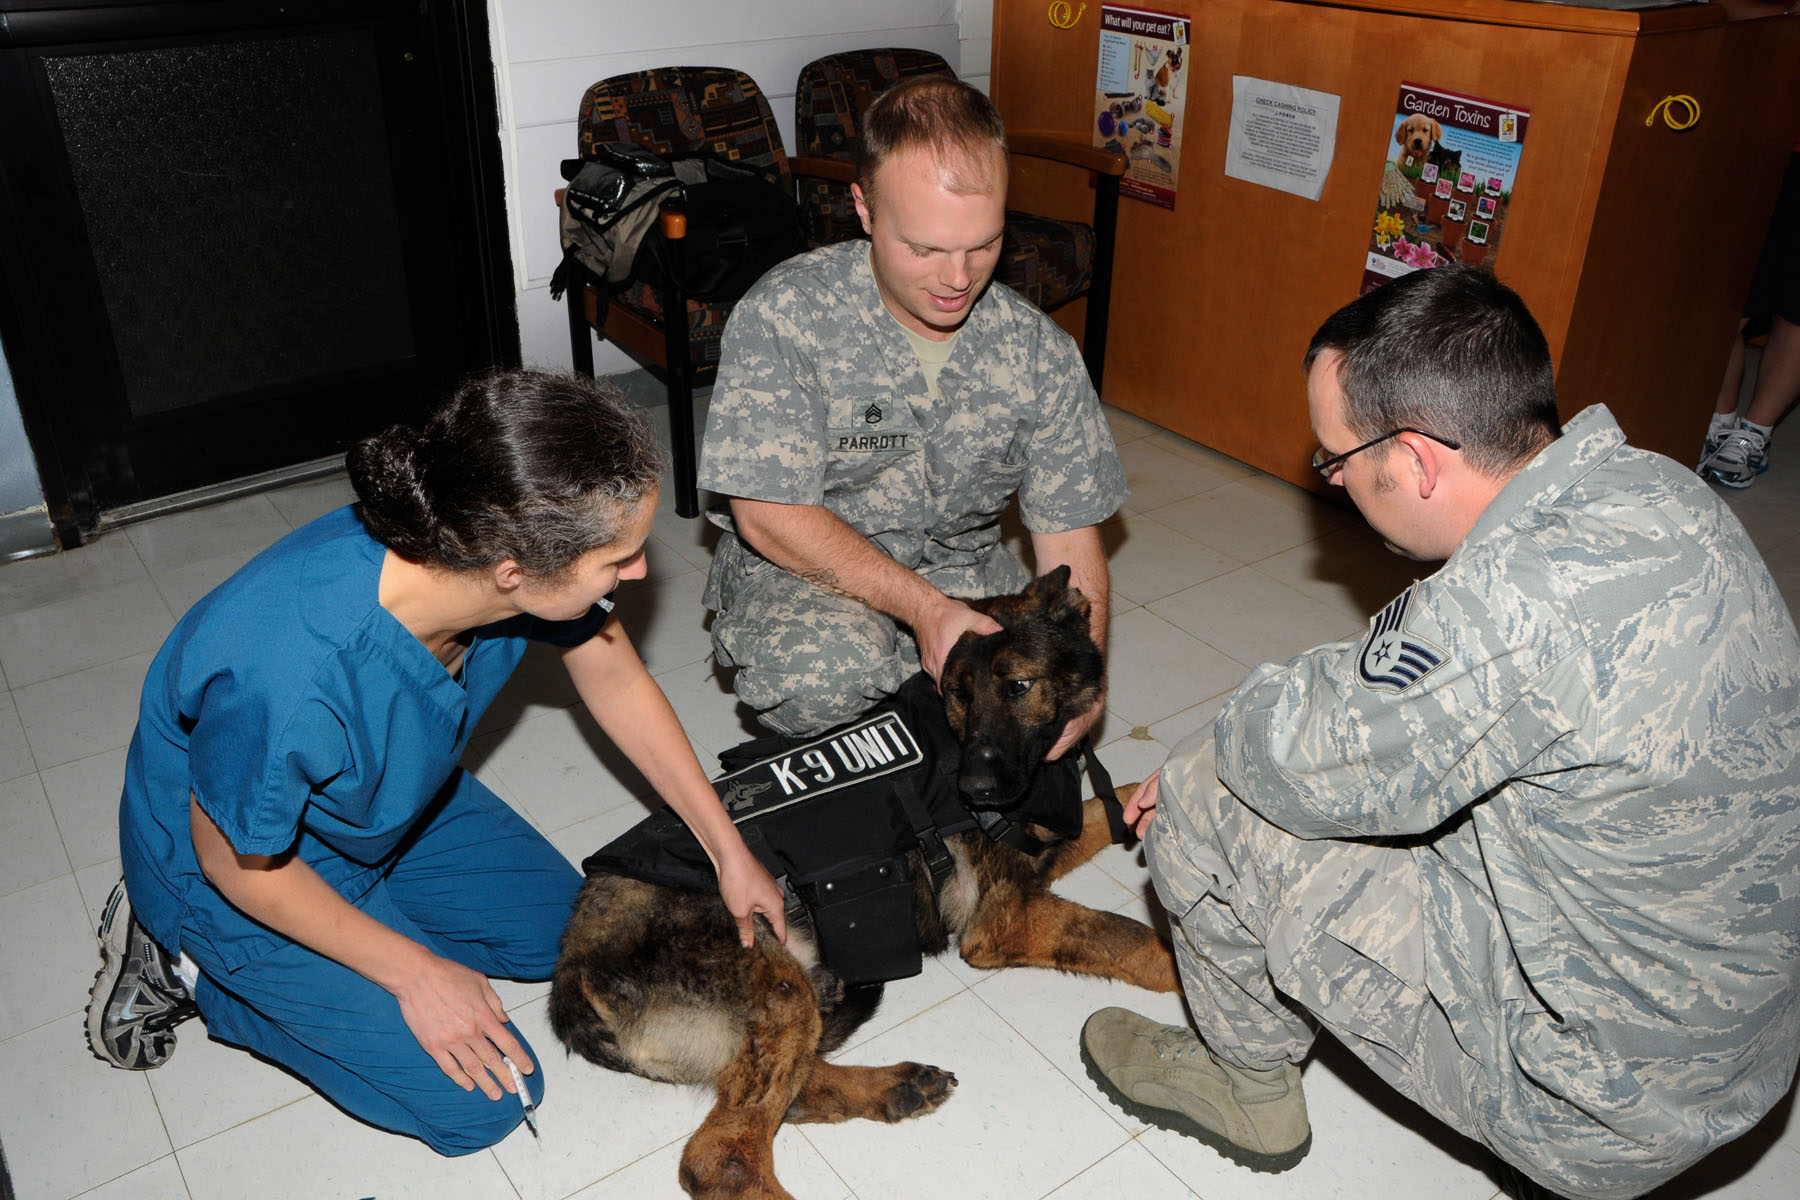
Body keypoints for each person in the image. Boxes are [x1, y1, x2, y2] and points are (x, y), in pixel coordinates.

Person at [1080, 266, 1800, 1199]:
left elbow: (1297, 758)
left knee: (1210, 797)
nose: (1332, 480)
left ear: (1417, 461)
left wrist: (1205, 748)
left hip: (1598, 1101)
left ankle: (1242, 1089)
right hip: (1735, 1045)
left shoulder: (1506, 611)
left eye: (1334, 461)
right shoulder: (1654, 488)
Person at [86, 370, 788, 1154]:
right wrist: (412, 971)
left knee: (572, 941)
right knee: (491, 1100)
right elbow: (235, 858)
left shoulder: (476, 540)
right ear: (515, 572)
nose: (640, 574)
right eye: (617, 559)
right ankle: (181, 962)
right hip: (236, 858)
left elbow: (616, 675)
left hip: (383, 803)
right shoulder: (295, 671)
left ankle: (368, 918)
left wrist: (728, 851)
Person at [697, 74, 1126, 747]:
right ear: (863, 209)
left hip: (965, 567)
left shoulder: (1039, 351)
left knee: (1029, 685)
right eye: (924, 249)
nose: (958, 279)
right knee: (823, 675)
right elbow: (767, 515)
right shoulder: (787, 317)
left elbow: (1070, 541)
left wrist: (1084, 688)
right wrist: (927, 613)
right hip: (813, 571)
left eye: (982, 244)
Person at [1699, 138, 1800, 488]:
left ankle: (1754, 433)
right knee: (1727, 302)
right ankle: (1718, 421)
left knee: (1795, 307)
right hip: (1759, 135)